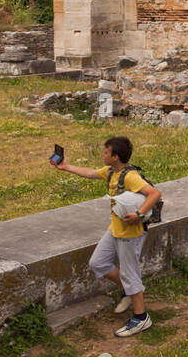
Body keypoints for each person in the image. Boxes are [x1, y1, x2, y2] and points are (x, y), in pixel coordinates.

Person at [50, 136, 162, 336]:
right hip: (115, 229)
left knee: (130, 274)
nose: (102, 154)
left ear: (115, 156)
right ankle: (131, 290)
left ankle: (141, 318)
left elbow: (154, 193)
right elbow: (91, 173)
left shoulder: (130, 176)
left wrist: (138, 214)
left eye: (105, 152)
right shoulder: (112, 172)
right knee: (98, 263)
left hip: (130, 233)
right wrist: (65, 167)